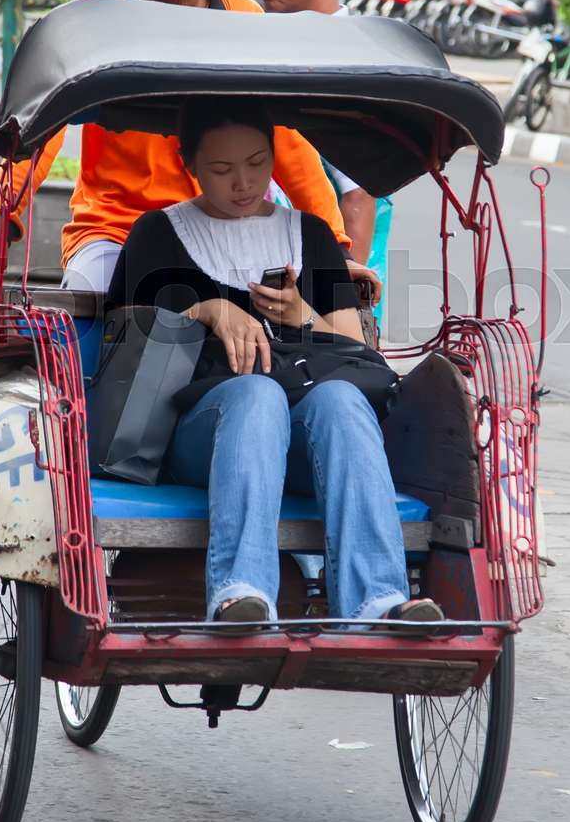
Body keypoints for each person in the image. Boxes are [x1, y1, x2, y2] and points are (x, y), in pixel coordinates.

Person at [108, 97, 440, 626]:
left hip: (307, 438)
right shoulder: (159, 233)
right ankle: (241, 592)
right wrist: (205, 310)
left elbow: (358, 350)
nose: (242, 183)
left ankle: (378, 598)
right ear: (190, 165)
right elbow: (124, 332)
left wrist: (301, 315)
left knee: (341, 399)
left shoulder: (310, 235)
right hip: (196, 436)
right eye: (222, 169)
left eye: (256, 163)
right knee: (257, 393)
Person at [0, 0, 359, 293]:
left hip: (221, 223)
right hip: (115, 229)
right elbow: (39, 131)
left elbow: (289, 143)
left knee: (292, 317)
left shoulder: (246, 21)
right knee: (94, 310)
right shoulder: (93, 20)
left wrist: (339, 250)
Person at [256, 0, 392, 281]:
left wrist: (342, 302)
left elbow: (358, 197)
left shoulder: (347, 62)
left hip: (320, 288)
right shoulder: (270, 44)